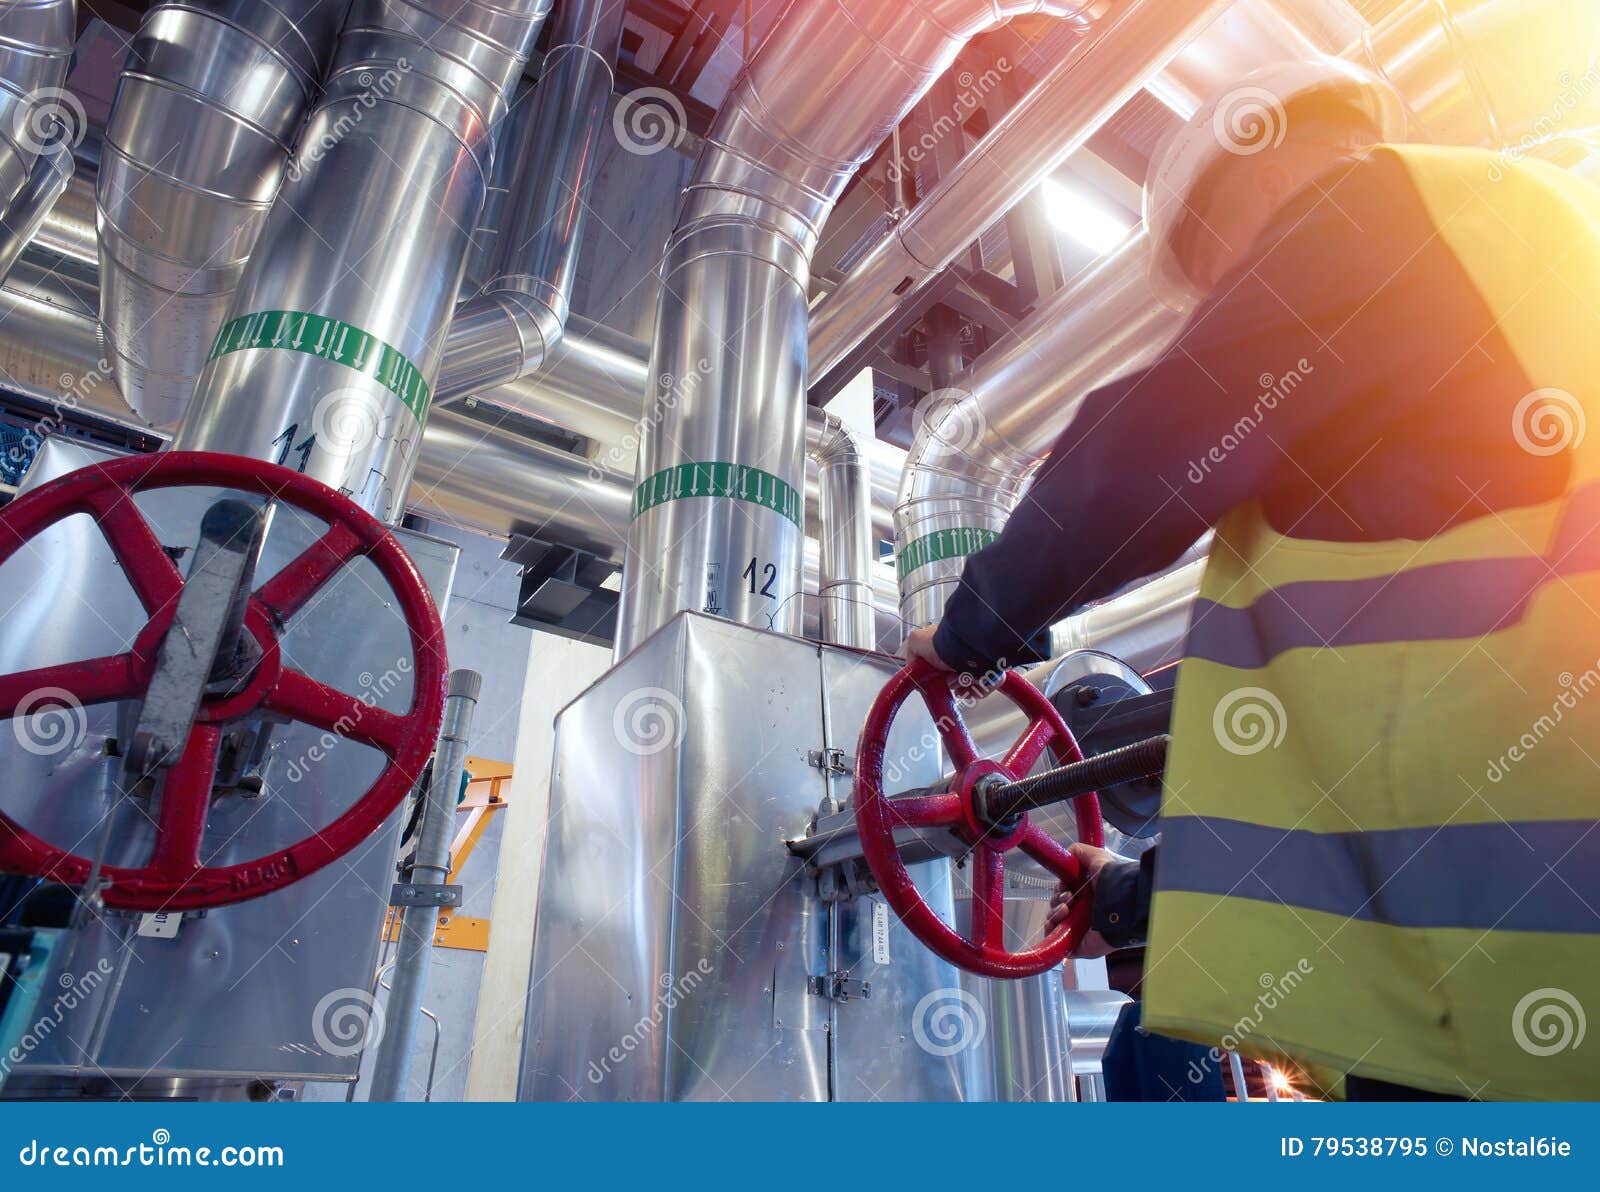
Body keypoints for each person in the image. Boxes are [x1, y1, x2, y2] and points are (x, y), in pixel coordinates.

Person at [906, 58, 1600, 1102]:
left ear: (1253, 172)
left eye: (1209, 266)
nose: (1226, 295)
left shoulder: (1376, 208)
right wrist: (1136, 894)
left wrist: (974, 625)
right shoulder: (1521, 255)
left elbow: (1146, 445)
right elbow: (1366, 768)